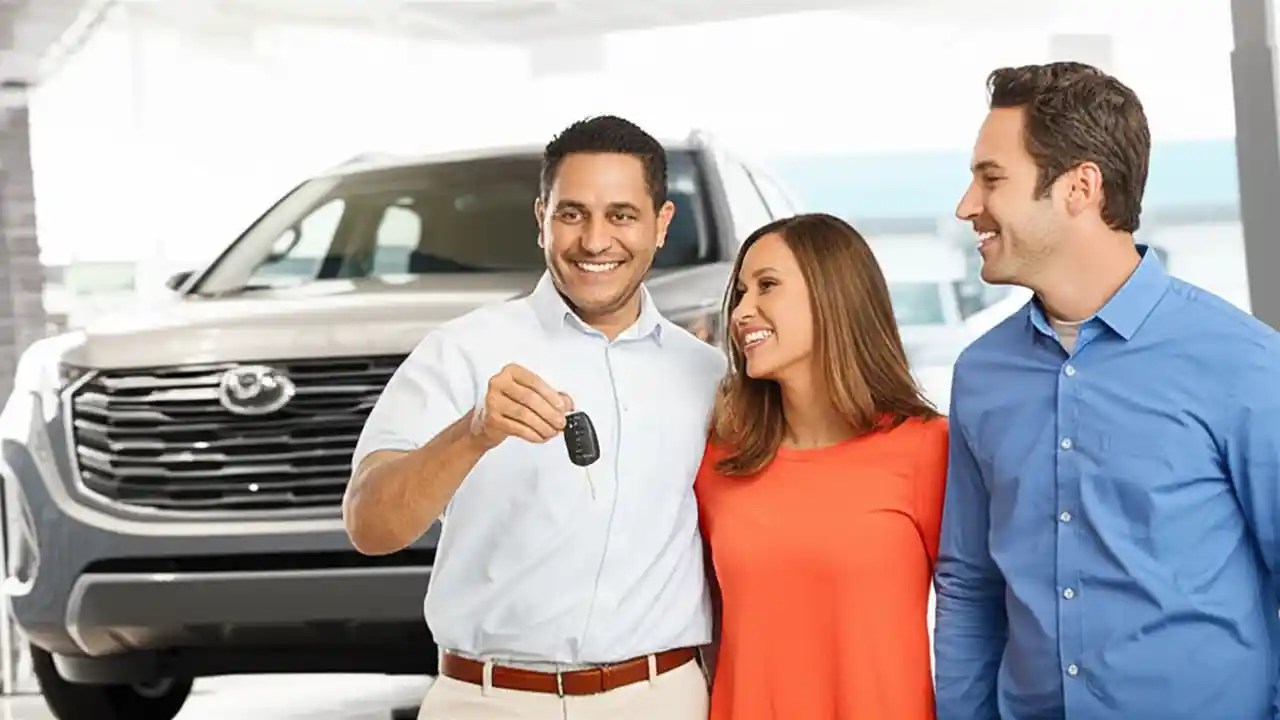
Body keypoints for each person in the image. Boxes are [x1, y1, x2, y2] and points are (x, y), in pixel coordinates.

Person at [343, 115, 726, 720]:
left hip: (662, 700)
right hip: (488, 701)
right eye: (572, 214)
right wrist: (473, 434)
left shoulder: (709, 377)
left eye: (622, 215)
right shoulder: (461, 350)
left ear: (661, 225)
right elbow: (370, 525)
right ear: (541, 219)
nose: (596, 241)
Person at [934, 61, 1280, 720]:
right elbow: (970, 587)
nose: (966, 205)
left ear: (1079, 187)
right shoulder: (981, 374)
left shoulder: (1244, 363)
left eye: (991, 178)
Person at [695, 213, 948, 720]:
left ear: (834, 296)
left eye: (767, 286)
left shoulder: (926, 448)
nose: (743, 311)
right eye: (741, 293)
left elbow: (978, 620)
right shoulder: (719, 462)